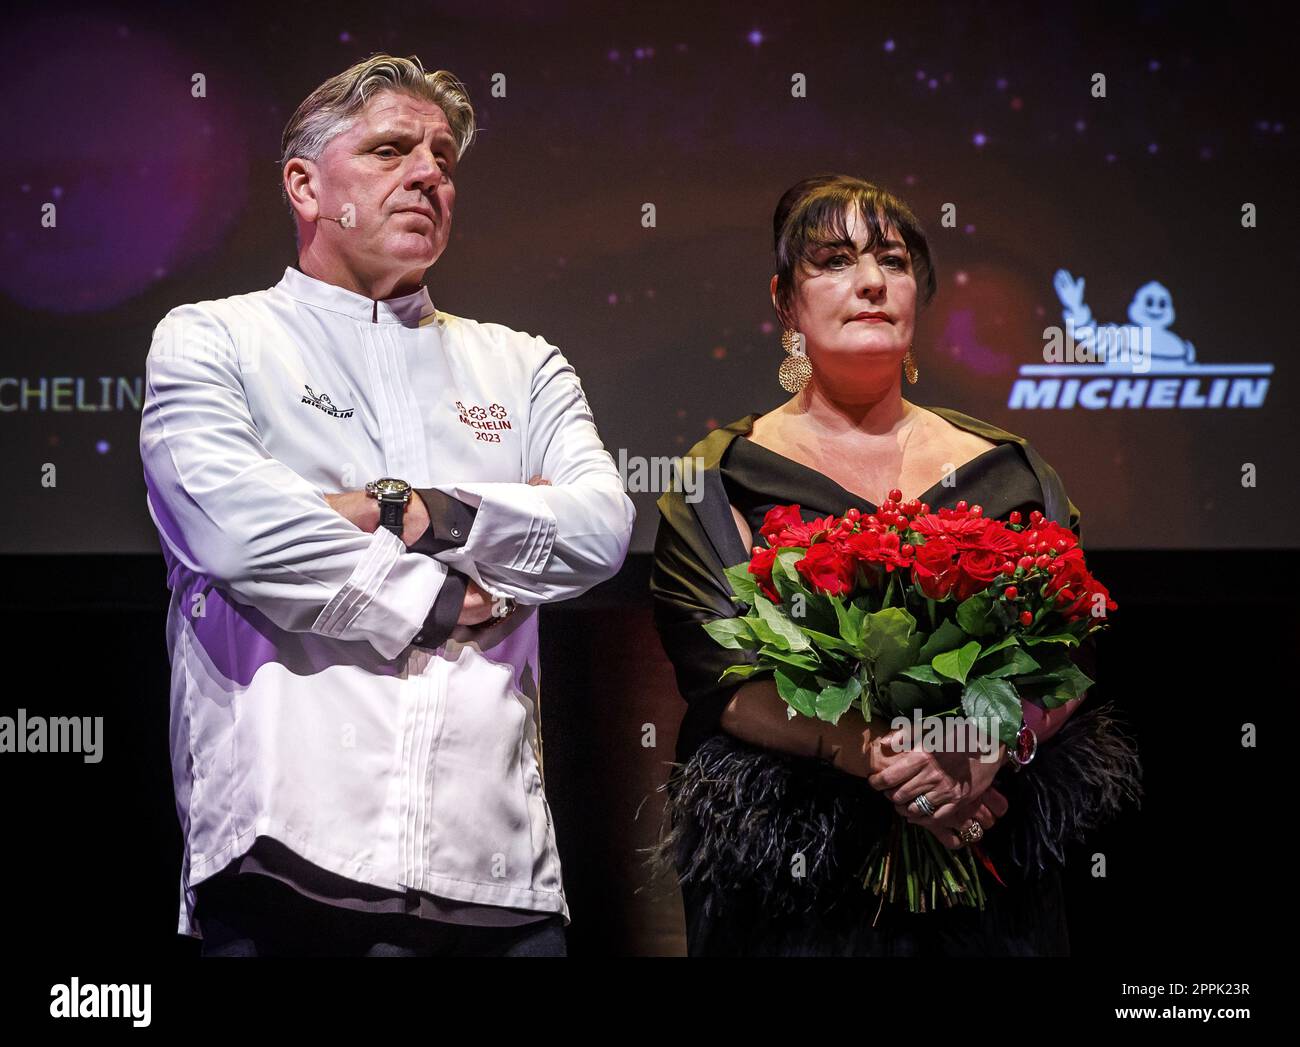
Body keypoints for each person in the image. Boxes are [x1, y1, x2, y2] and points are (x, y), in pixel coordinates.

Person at [140, 54, 635, 956]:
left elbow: (599, 529)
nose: (428, 174)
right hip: (283, 849)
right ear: (304, 185)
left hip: (495, 869)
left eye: (443, 157)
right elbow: (237, 529)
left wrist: (414, 509)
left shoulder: (522, 364)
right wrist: (446, 593)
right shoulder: (214, 338)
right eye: (391, 150)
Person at [649, 174, 1141, 956]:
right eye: (835, 260)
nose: (872, 281)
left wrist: (986, 748)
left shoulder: (1013, 470)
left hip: (984, 866)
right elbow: (724, 671)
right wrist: (878, 753)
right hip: (800, 893)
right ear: (785, 302)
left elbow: (1071, 651)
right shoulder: (719, 474)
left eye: (894, 259)